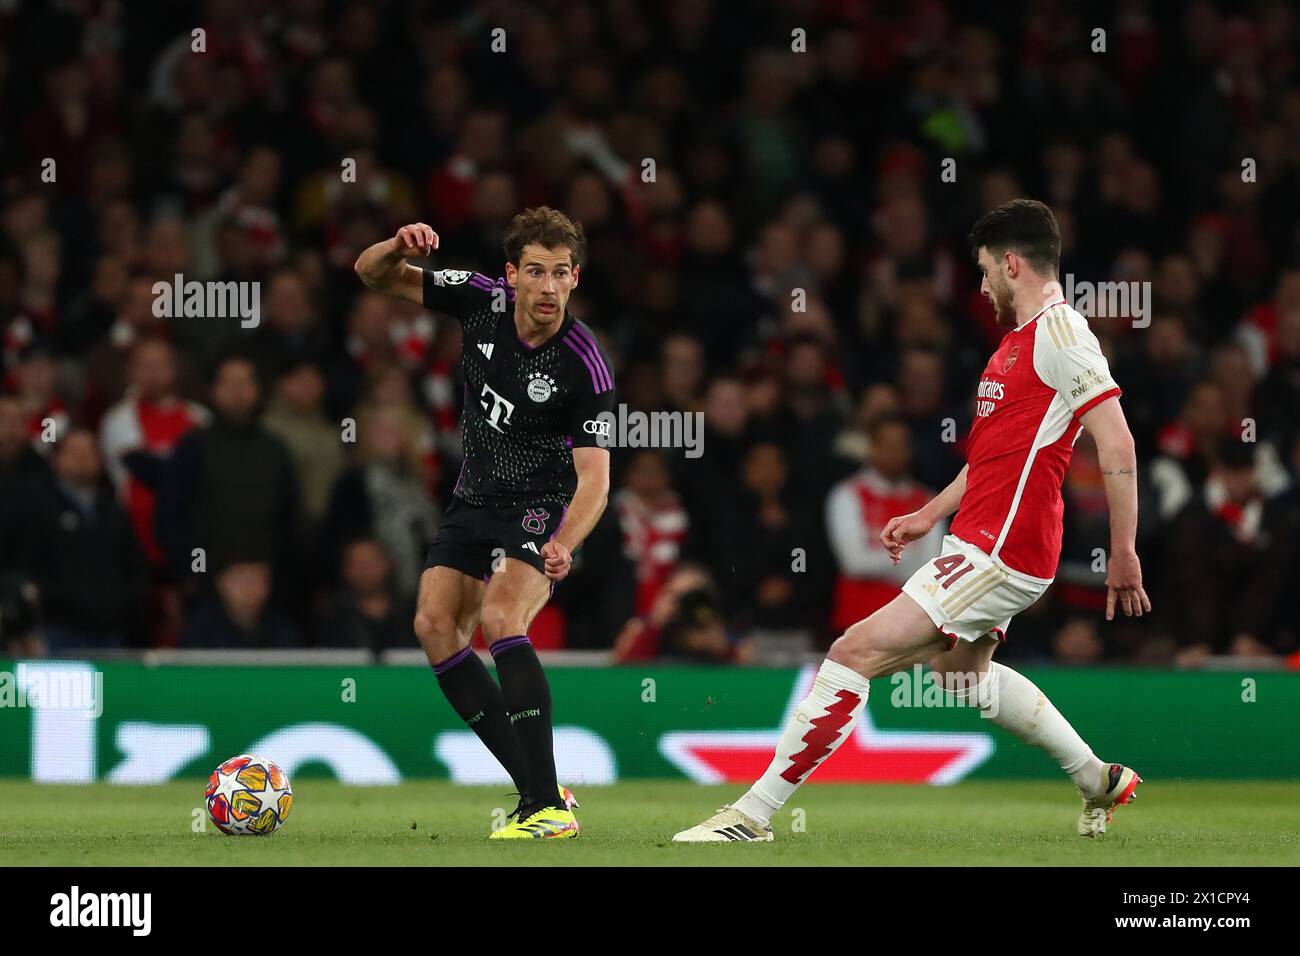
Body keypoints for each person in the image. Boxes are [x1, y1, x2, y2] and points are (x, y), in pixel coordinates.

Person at [675, 199, 1151, 842]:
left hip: (1000, 551)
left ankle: (750, 815)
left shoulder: (1062, 334)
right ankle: (1097, 778)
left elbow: (1116, 442)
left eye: (985, 271)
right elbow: (992, 459)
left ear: (1013, 264)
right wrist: (929, 513)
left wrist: (1124, 550)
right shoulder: (1018, 344)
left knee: (851, 652)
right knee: (960, 680)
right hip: (986, 540)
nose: (981, 287)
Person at [353, 206, 614, 839]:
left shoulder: (585, 363)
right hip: (474, 497)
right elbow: (371, 275)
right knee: (435, 625)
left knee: (500, 619)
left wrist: (563, 542)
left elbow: (596, 480)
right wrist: (397, 244)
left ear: (575, 279)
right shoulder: (479, 300)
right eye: (535, 271)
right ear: (511, 275)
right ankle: (539, 787)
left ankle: (546, 808)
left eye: (560, 273)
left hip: (540, 504)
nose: (548, 286)